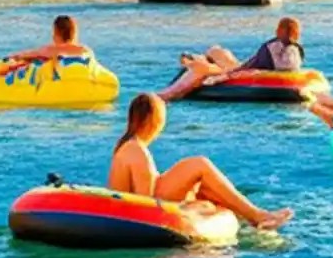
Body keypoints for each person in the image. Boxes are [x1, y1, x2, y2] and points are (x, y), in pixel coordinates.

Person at [108, 93, 292, 229]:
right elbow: (146, 203)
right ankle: (256, 216)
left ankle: (250, 216)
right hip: (138, 211)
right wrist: (187, 207)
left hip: (134, 205)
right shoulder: (137, 151)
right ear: (151, 120)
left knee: (202, 187)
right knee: (199, 165)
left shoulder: (127, 146)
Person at [159, 18, 304, 101]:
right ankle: (199, 59)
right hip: (246, 68)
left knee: (202, 66)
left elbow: (254, 67)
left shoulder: (278, 48)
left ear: (279, 31)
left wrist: (225, 75)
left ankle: (194, 62)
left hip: (245, 71)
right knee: (217, 51)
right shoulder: (293, 50)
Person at [0, 15, 90, 84]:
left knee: (17, 64)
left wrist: (14, 57)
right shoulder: (85, 49)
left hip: (55, 76)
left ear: (56, 33)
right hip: (83, 76)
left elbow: (30, 54)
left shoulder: (52, 49)